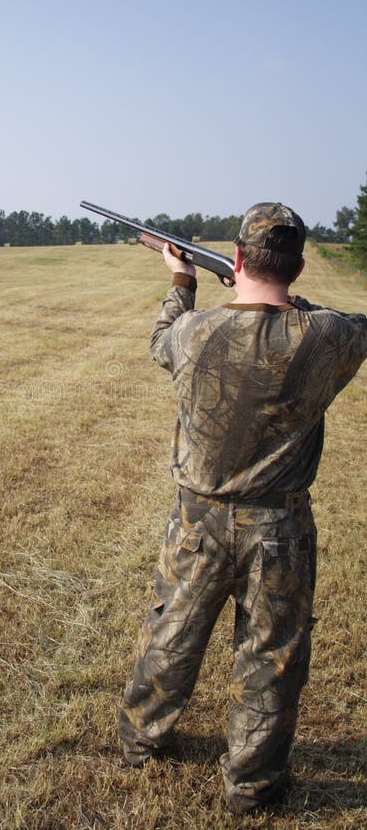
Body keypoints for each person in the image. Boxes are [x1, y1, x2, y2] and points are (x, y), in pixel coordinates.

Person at [117, 202, 367, 815]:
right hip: (281, 525)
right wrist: (280, 299)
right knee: (272, 657)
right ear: (300, 264)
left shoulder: (194, 331)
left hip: (196, 520)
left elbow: (159, 339)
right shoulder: (329, 337)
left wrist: (182, 279)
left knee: (170, 635)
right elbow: (344, 323)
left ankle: (141, 744)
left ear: (235, 258)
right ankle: (251, 786)